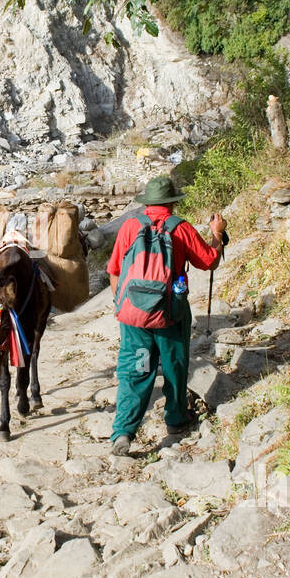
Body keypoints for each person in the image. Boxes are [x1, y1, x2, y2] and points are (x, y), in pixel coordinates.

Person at [107, 175, 227, 456]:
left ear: (147, 203)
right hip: (170, 312)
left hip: (133, 315)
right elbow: (209, 261)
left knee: (136, 371)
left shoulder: (129, 227)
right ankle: (175, 419)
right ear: (172, 202)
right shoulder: (180, 228)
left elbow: (114, 270)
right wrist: (217, 234)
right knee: (174, 365)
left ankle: (123, 432)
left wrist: (122, 305)